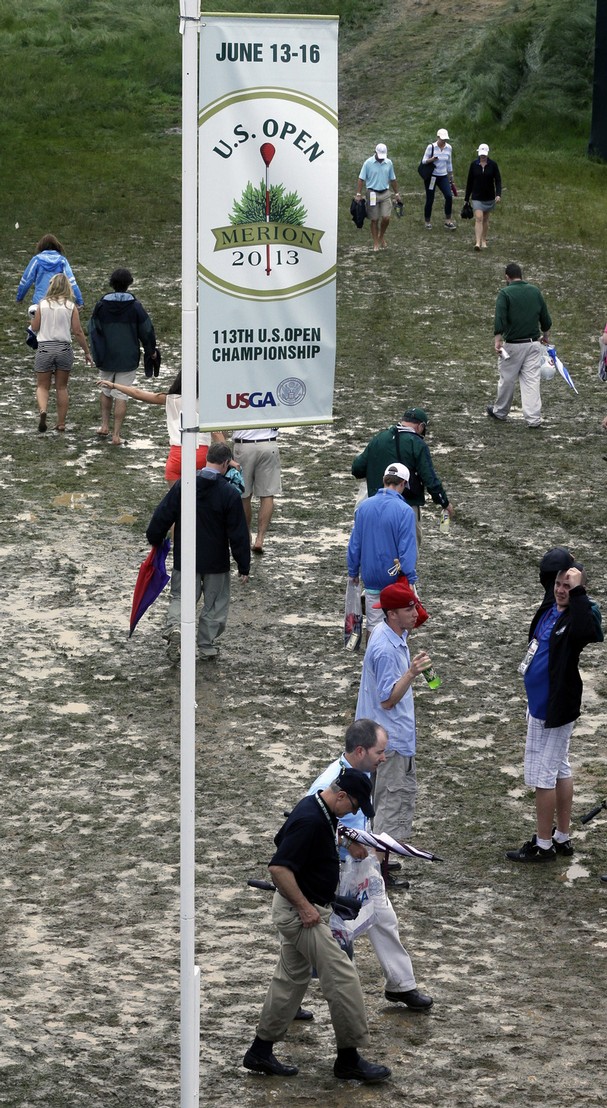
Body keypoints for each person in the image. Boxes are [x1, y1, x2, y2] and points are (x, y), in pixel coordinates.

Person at [243, 767, 392, 1083]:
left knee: (290, 980)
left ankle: (260, 1050)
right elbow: (279, 868)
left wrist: (344, 839)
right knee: (342, 976)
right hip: (302, 916)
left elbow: (282, 837)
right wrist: (305, 908)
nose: (353, 812)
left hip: (304, 910)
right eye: (353, 806)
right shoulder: (311, 819)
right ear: (340, 796)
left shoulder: (316, 807)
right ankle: (349, 1059)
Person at [306, 719, 433, 1008]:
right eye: (380, 752)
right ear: (361, 751)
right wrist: (348, 843)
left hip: (360, 869)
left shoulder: (360, 772)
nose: (384, 757)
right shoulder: (328, 783)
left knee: (384, 919)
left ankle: (401, 985)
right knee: (317, 937)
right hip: (335, 872)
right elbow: (306, 822)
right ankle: (290, 999)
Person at [506, 552, 603, 863]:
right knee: (560, 768)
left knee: (543, 777)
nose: (561, 589)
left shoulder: (576, 618)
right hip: (538, 704)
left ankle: (543, 845)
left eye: (567, 586)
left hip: (555, 708)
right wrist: (567, 564)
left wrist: (579, 589)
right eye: (559, 584)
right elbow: (549, 566)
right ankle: (561, 836)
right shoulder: (550, 607)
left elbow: (591, 630)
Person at [145, 442, 250, 663]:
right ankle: (207, 646)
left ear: (207, 460)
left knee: (181, 598)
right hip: (216, 562)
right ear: (224, 464)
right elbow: (238, 533)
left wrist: (155, 539)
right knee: (215, 604)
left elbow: (163, 514)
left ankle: (175, 628)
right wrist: (243, 565)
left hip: (186, 558)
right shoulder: (229, 493)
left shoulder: (185, 484)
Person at [356, 579, 433, 844]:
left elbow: (418, 617)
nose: (416, 614)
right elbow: (388, 700)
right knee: (391, 807)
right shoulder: (388, 649)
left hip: (376, 736)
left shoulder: (382, 630)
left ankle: (378, 864)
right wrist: (412, 673)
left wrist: (407, 593)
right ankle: (381, 871)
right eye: (409, 609)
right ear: (391, 614)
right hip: (392, 742)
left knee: (378, 804)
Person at [96, 371, 225, 485]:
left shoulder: (169, 399)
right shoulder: (206, 403)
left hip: (176, 455)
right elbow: (217, 434)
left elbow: (137, 393)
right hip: (200, 454)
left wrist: (113, 385)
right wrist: (228, 459)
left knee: (177, 503)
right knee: (201, 501)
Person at [351, 407, 454, 546]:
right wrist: (444, 503)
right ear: (421, 426)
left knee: (378, 548)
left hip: (375, 506)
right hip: (406, 506)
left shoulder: (379, 438)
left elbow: (357, 469)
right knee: (407, 552)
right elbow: (430, 479)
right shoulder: (417, 444)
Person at [347, 463, 418, 640]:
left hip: (371, 578)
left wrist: (353, 571)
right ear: (402, 483)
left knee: (373, 623)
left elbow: (355, 544)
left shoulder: (363, 507)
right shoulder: (405, 511)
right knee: (402, 622)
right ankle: (396, 660)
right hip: (395, 579)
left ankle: (372, 662)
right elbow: (407, 550)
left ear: (384, 480)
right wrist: (410, 578)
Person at [89, 268, 158, 446]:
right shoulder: (135, 306)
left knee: (105, 390)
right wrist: (151, 350)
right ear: (129, 284)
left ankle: (104, 425)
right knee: (122, 394)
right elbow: (146, 330)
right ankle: (116, 434)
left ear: (112, 283)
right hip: (128, 357)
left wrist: (96, 352)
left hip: (105, 355)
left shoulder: (101, 305)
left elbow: (93, 329)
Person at [487, 262, 552, 429]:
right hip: (533, 344)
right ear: (521, 275)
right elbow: (545, 318)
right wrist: (545, 336)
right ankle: (533, 419)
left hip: (512, 345)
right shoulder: (535, 291)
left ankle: (500, 412)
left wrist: (497, 340)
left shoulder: (505, 293)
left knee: (507, 379)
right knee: (531, 382)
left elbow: (499, 318)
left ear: (507, 277)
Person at [30, 273, 93, 433]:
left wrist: (32, 318)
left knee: (43, 386)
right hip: (64, 348)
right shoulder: (70, 306)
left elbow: (35, 327)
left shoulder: (42, 304)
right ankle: (61, 423)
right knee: (62, 387)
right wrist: (86, 351)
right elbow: (78, 331)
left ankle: (43, 410)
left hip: (44, 348)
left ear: (51, 286)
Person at [231, 428, 281, 554]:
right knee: (267, 494)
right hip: (268, 444)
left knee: (243, 495)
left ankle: (247, 534)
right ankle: (260, 538)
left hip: (244, 445)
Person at [16, 233, 84, 312]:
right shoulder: (62, 261)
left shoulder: (36, 260)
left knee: (38, 324)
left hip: (40, 302)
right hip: (59, 302)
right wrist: (79, 301)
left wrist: (19, 298)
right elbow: (71, 282)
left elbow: (26, 280)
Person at [355, 143, 402, 251]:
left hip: (385, 193)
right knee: (374, 219)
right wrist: (358, 193)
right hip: (372, 193)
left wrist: (397, 193)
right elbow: (361, 179)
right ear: (375, 152)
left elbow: (393, 179)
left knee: (386, 217)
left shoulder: (389, 163)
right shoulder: (368, 163)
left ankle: (381, 236)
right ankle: (376, 242)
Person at [464, 143, 502, 251]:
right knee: (479, 218)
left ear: (487, 154)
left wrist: (498, 194)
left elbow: (498, 180)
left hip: (489, 196)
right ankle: (477, 242)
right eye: (481, 155)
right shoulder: (473, 165)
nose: (483, 157)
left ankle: (484, 240)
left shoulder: (493, 165)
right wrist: (467, 198)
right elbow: (469, 182)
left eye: (484, 155)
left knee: (485, 219)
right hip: (477, 196)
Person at [420, 128, 457, 231]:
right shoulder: (431, 147)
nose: (444, 141)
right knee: (430, 198)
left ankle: (448, 220)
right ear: (438, 138)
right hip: (432, 176)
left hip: (443, 176)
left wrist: (451, 175)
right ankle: (427, 221)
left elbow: (449, 162)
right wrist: (431, 160)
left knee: (449, 196)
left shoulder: (449, 148)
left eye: (445, 139)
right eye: (442, 139)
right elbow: (423, 161)